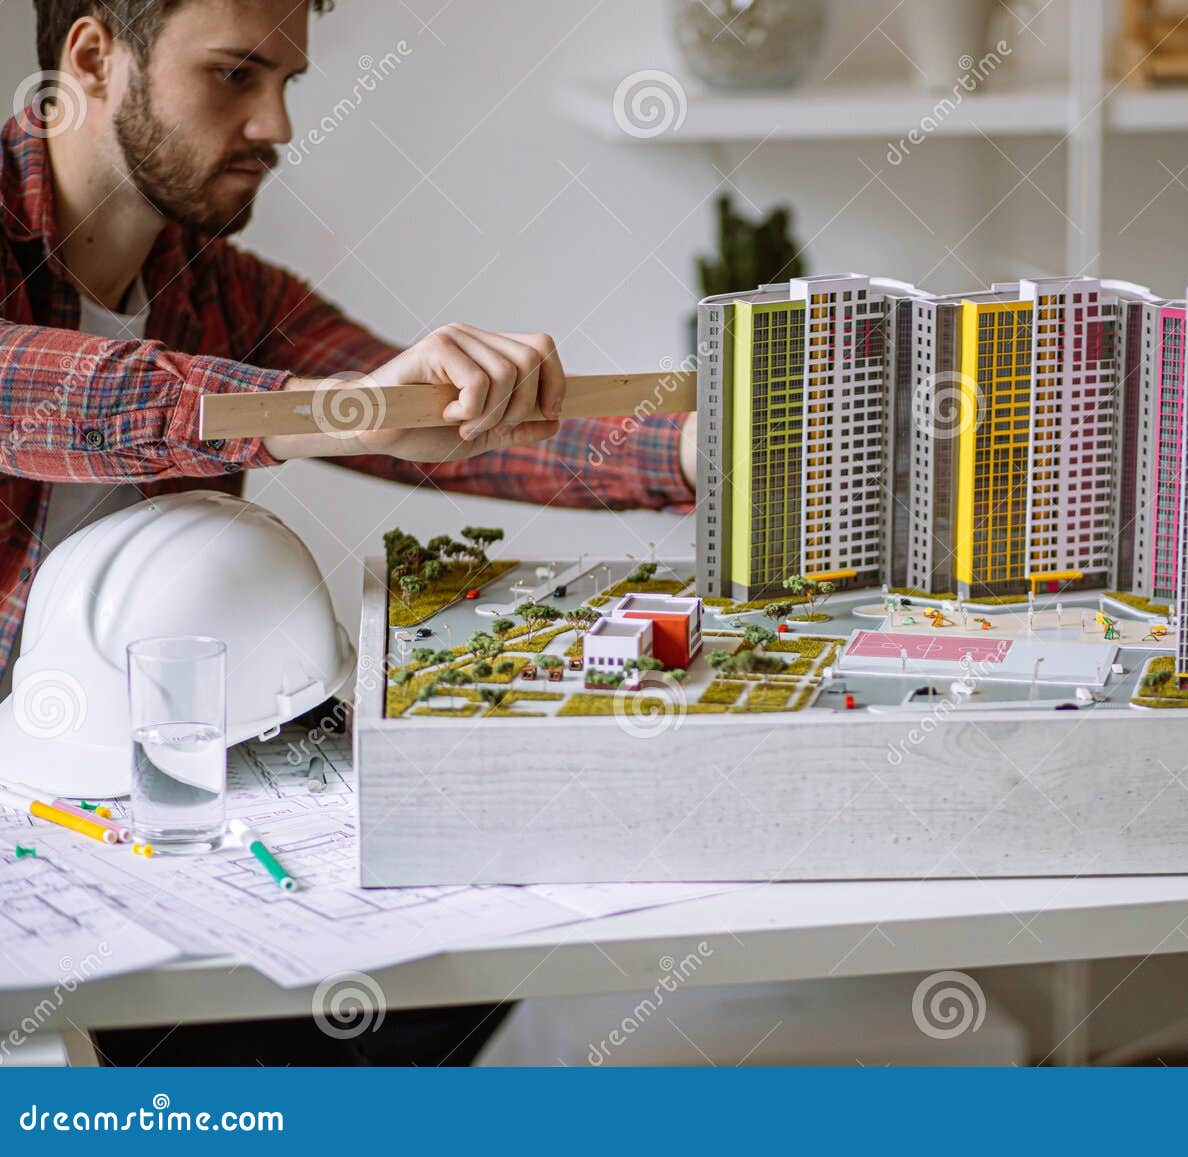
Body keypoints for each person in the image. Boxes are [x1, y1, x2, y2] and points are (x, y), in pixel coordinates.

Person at [2, 0, 696, 1064]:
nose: (277, 122)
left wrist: (694, 452)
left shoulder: (220, 289)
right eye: (235, 75)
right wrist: (316, 406)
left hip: (143, 796)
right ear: (94, 59)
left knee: (460, 962)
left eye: (288, 80)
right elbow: (37, 388)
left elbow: (429, 419)